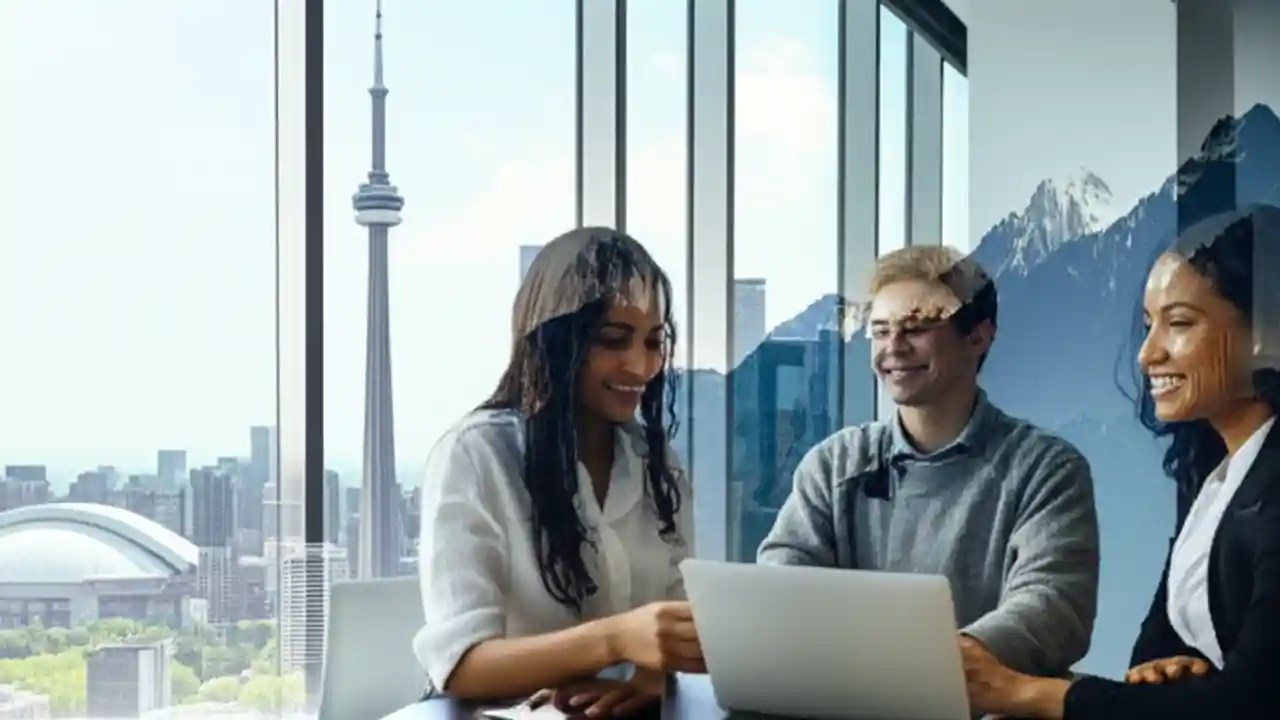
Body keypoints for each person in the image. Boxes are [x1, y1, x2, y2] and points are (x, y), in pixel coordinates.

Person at [961, 204, 1280, 718]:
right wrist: (1169, 669)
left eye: (1178, 323)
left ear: (1267, 333)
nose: (1146, 353)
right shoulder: (1210, 472)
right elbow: (1151, 655)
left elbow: (1253, 700)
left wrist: (1022, 692)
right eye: (1148, 324)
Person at [757, 245, 1100, 679]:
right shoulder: (834, 465)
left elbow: (1053, 607)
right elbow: (780, 585)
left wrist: (932, 666)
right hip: (843, 699)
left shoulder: (1045, 469)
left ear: (978, 336)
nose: (893, 348)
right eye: (880, 331)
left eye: (915, 327)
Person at [410, 227, 701, 716]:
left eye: (655, 341)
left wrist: (649, 675)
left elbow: (676, 627)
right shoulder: (477, 455)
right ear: (555, 340)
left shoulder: (656, 464)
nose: (641, 364)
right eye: (614, 339)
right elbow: (459, 666)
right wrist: (617, 641)